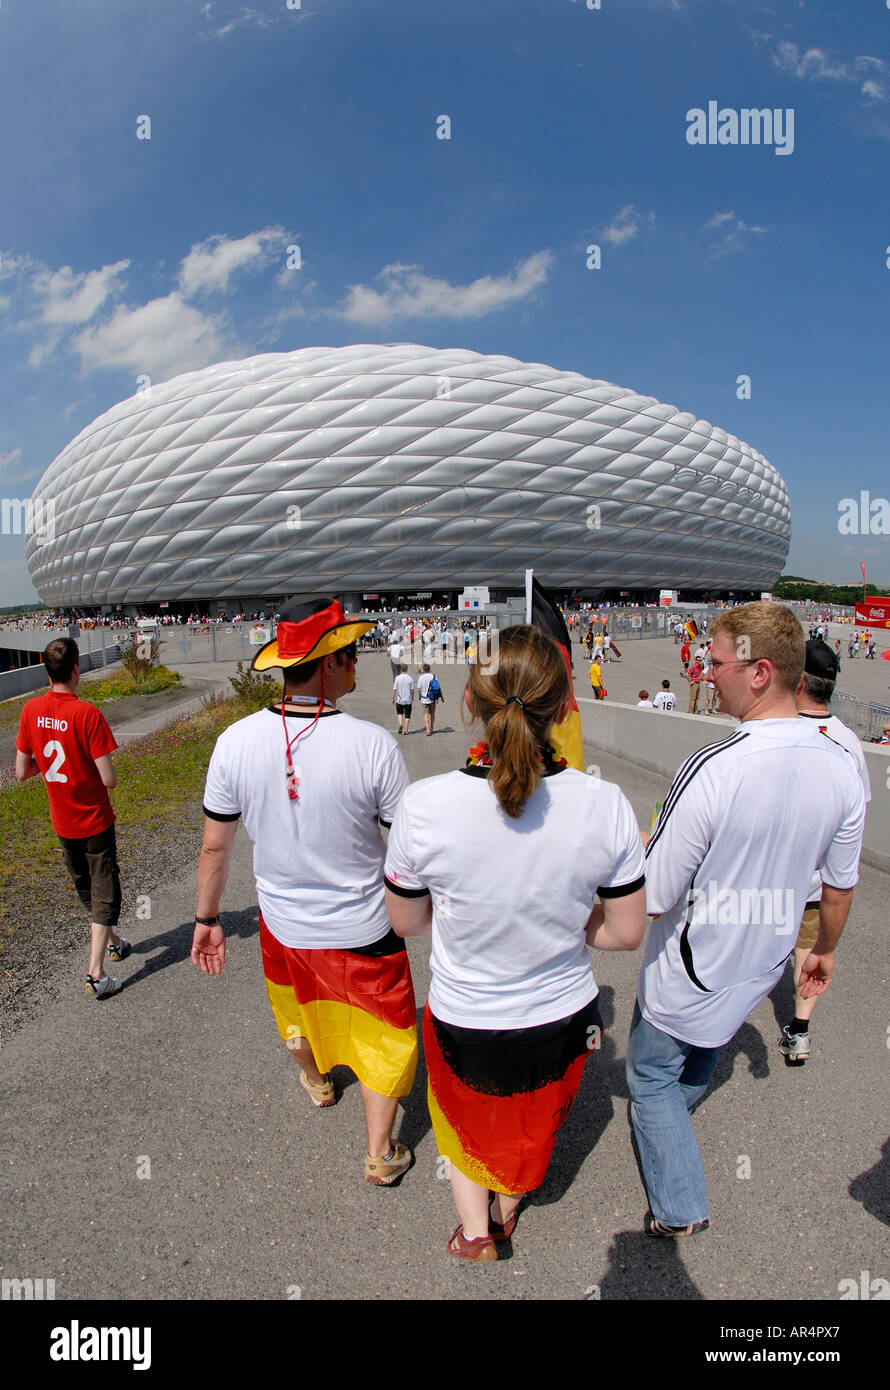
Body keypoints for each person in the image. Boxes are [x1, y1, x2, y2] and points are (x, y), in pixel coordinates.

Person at [384, 625, 646, 1261]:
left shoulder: (423, 807)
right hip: (562, 1018)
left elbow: (406, 923)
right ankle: (508, 1205)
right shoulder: (606, 804)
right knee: (532, 1122)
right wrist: (565, 920)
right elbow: (627, 930)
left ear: (470, 702)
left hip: (465, 1015)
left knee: (462, 1118)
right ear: (563, 708)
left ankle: (476, 1232)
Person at [627, 602, 865, 1236]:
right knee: (706, 1049)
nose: (708, 672)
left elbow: (655, 893)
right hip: (763, 963)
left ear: (760, 672)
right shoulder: (842, 766)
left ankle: (679, 1208)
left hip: (692, 968)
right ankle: (675, 1118)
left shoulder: (715, 766)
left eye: (718, 660)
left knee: (650, 1077)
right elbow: (839, 888)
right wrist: (826, 952)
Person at [191, 597, 417, 1186]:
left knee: (293, 1014)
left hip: (283, 925)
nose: (357, 665)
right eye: (349, 655)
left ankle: (317, 1081)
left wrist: (206, 919)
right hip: (364, 929)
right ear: (324, 665)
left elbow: (216, 847)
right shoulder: (373, 746)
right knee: (381, 1036)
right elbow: (408, 849)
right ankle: (379, 1150)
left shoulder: (234, 742)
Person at [15, 638, 129, 998]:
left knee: (87, 887)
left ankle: (114, 943)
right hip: (93, 819)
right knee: (105, 890)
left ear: (46, 670)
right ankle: (96, 974)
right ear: (76, 668)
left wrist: (47, 765)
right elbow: (108, 778)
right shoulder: (87, 714)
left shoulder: (29, 710)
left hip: (62, 820)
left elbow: (21, 771)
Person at [782, 638, 871, 1064]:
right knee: (809, 948)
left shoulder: (774, 731)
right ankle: (799, 1031)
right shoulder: (850, 743)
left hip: (765, 876)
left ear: (797, 680)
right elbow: (856, 817)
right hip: (818, 882)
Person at [417, 662, 444, 736]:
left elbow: (419, 689)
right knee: (432, 714)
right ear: (429, 669)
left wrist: (420, 695)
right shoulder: (434, 676)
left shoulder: (421, 677)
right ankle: (432, 726)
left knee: (426, 714)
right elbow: (438, 687)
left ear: (423, 669)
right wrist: (441, 697)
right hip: (432, 698)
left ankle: (427, 729)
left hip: (424, 699)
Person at [392, 663, 415, 735]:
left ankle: (400, 724)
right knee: (407, 715)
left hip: (399, 699)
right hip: (408, 699)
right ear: (407, 669)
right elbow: (412, 690)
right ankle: (406, 730)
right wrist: (412, 697)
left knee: (399, 713)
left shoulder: (397, 678)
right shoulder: (410, 678)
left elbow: (394, 689)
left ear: (400, 669)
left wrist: (393, 698)